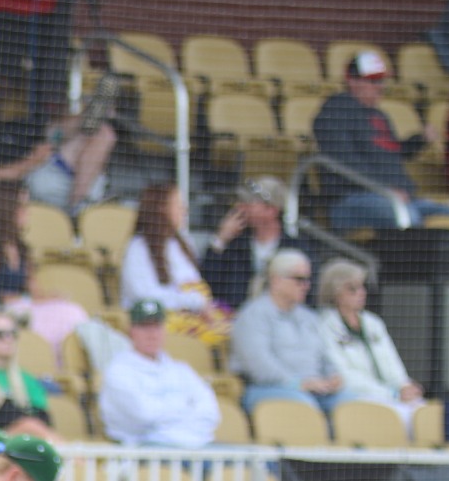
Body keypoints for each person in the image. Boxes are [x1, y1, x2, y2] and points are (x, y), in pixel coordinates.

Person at [313, 51, 449, 230]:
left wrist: (419, 140)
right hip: (352, 201)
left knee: (448, 215)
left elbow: (392, 151)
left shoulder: (380, 115)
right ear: (352, 81)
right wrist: (384, 189)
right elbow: (344, 163)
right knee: (407, 219)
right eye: (373, 81)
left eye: (382, 81)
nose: (380, 87)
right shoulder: (335, 112)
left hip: (396, 199)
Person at [0, 77, 114, 215]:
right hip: (28, 184)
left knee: (103, 132)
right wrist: (31, 162)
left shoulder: (14, 126)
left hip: (58, 172)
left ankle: (90, 114)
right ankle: (81, 208)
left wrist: (86, 117)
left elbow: (54, 133)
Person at [230, 249, 342, 416]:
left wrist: (333, 375)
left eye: (308, 279)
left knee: (353, 404)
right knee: (304, 406)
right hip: (267, 389)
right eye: (299, 279)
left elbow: (325, 357)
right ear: (276, 280)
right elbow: (260, 366)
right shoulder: (253, 315)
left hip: (317, 389)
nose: (306, 286)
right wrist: (298, 383)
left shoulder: (309, 317)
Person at [316, 259, 425, 428]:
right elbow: (342, 374)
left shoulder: (373, 322)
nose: (361, 293)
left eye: (362, 287)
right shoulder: (323, 325)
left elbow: (392, 362)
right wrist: (391, 393)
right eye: (352, 289)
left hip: (392, 394)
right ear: (335, 292)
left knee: (423, 414)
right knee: (399, 418)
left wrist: (404, 385)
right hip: (358, 395)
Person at [98, 300, 221, 448]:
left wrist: (169, 416)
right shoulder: (119, 371)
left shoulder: (181, 370)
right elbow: (144, 415)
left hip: (194, 444)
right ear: (131, 331)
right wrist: (186, 406)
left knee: (243, 461)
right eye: (144, 327)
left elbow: (211, 413)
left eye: (156, 327)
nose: (152, 334)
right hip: (143, 450)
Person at [200, 177, 309, 306]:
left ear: (272, 210)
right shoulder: (235, 245)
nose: (241, 207)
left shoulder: (297, 249)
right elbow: (206, 285)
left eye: (249, 203)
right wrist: (220, 239)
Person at [119, 182, 211, 314]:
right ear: (161, 208)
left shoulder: (183, 241)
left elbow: (194, 284)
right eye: (178, 205)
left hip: (192, 317)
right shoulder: (138, 248)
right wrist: (193, 301)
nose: (184, 210)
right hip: (153, 322)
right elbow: (145, 297)